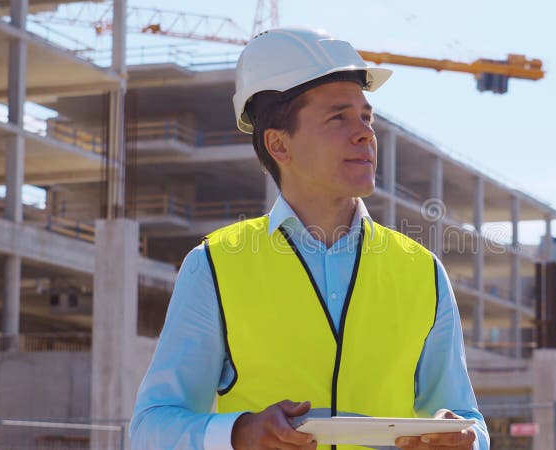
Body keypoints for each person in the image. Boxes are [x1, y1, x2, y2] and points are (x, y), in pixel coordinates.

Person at [130, 27, 489, 450]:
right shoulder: (215, 266)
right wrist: (239, 433)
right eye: (339, 117)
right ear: (279, 145)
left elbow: (466, 418)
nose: (365, 134)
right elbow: (151, 428)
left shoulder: (423, 271)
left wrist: (465, 439)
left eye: (366, 117)